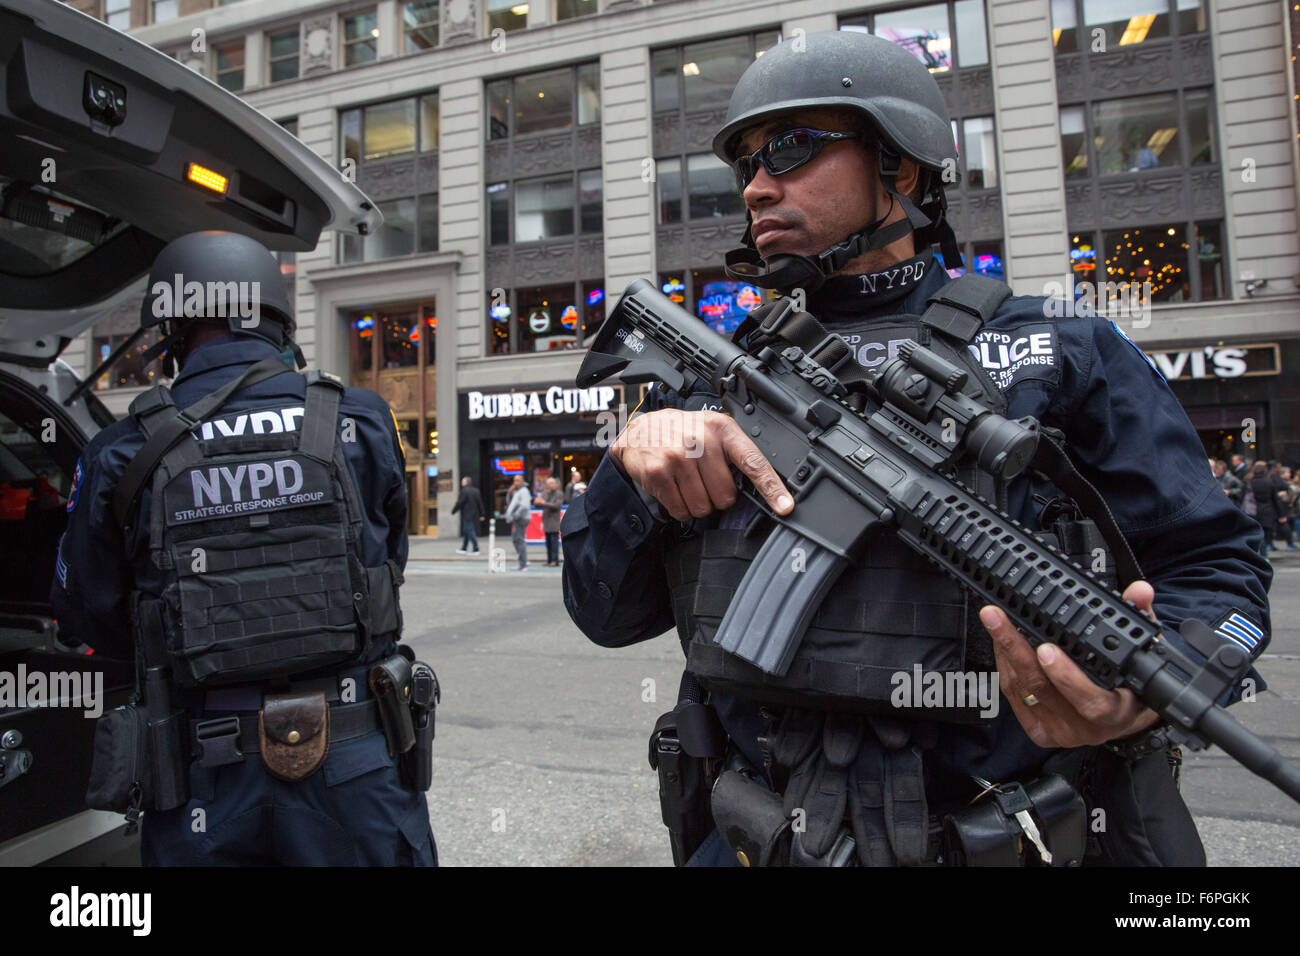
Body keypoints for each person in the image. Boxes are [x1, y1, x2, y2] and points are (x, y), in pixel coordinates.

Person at [561, 31, 1271, 868]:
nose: (756, 187)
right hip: (759, 839)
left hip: (1003, 839)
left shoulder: (1059, 349)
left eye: (791, 150)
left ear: (899, 165)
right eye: (746, 162)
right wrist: (631, 468)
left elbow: (1219, 569)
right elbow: (602, 614)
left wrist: (1150, 696)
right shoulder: (712, 381)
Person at [52, 231, 436, 866]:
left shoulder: (123, 449)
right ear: (277, 317)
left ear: (173, 326)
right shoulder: (360, 421)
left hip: (201, 773)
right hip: (353, 766)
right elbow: (387, 563)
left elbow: (86, 612)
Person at [504, 474, 533, 570]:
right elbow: (510, 503)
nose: (515, 482)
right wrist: (509, 492)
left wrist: (515, 515)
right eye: (514, 480)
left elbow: (524, 506)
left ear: (522, 481)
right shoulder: (518, 491)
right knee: (516, 539)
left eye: (518, 480)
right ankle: (522, 561)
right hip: (518, 518)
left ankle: (523, 563)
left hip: (521, 518)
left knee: (519, 540)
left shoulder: (524, 491)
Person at [451, 475, 485, 554]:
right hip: (474, 514)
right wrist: (482, 514)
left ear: (466, 482)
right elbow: (480, 503)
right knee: (466, 531)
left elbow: (460, 502)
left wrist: (454, 510)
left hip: (467, 514)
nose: (461, 482)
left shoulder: (464, 491)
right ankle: (464, 548)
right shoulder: (476, 491)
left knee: (470, 531)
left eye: (462, 481)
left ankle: (476, 548)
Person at [535, 476, 565, 566]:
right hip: (546, 520)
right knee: (548, 543)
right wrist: (537, 502)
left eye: (553, 483)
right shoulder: (545, 493)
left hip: (554, 521)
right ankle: (549, 560)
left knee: (554, 542)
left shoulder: (559, 494)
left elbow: (556, 505)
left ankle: (554, 561)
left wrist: (544, 503)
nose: (551, 485)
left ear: (556, 484)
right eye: (549, 483)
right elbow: (538, 504)